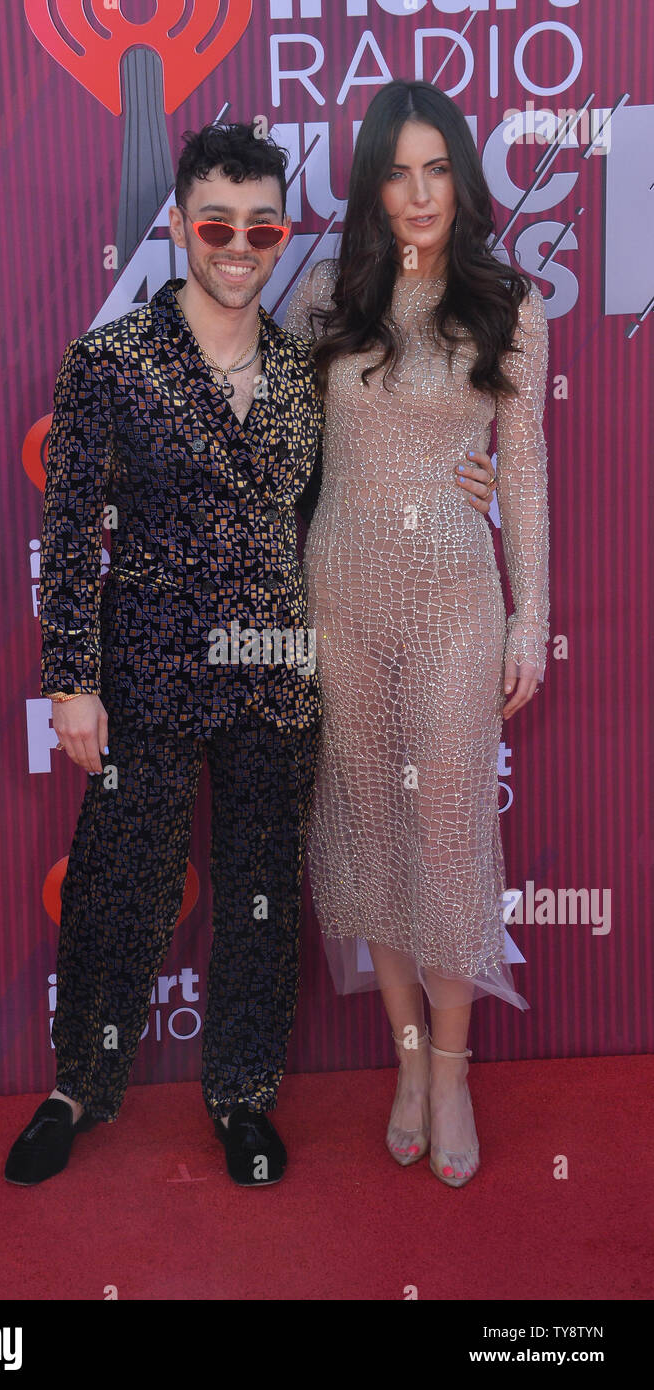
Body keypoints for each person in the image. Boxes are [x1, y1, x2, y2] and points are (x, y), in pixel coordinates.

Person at [4, 119, 495, 1190]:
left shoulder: (307, 366)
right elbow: (71, 527)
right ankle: (77, 1086)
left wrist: (471, 481)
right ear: (180, 225)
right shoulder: (110, 361)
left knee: (263, 892)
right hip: (144, 668)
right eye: (215, 223)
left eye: (260, 226)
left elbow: (365, 485)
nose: (239, 246)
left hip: (279, 668)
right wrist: (71, 682)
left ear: (282, 234)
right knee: (119, 885)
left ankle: (241, 1095)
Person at [284, 80, 549, 1188]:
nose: (420, 191)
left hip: (454, 606)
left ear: (465, 179)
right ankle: (403, 1059)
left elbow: (524, 471)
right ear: (373, 185)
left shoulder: (507, 305)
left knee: (446, 841)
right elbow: (283, 457)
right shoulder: (326, 299)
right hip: (340, 603)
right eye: (399, 169)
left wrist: (531, 613)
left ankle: (451, 1068)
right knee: (373, 840)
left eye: (438, 168)